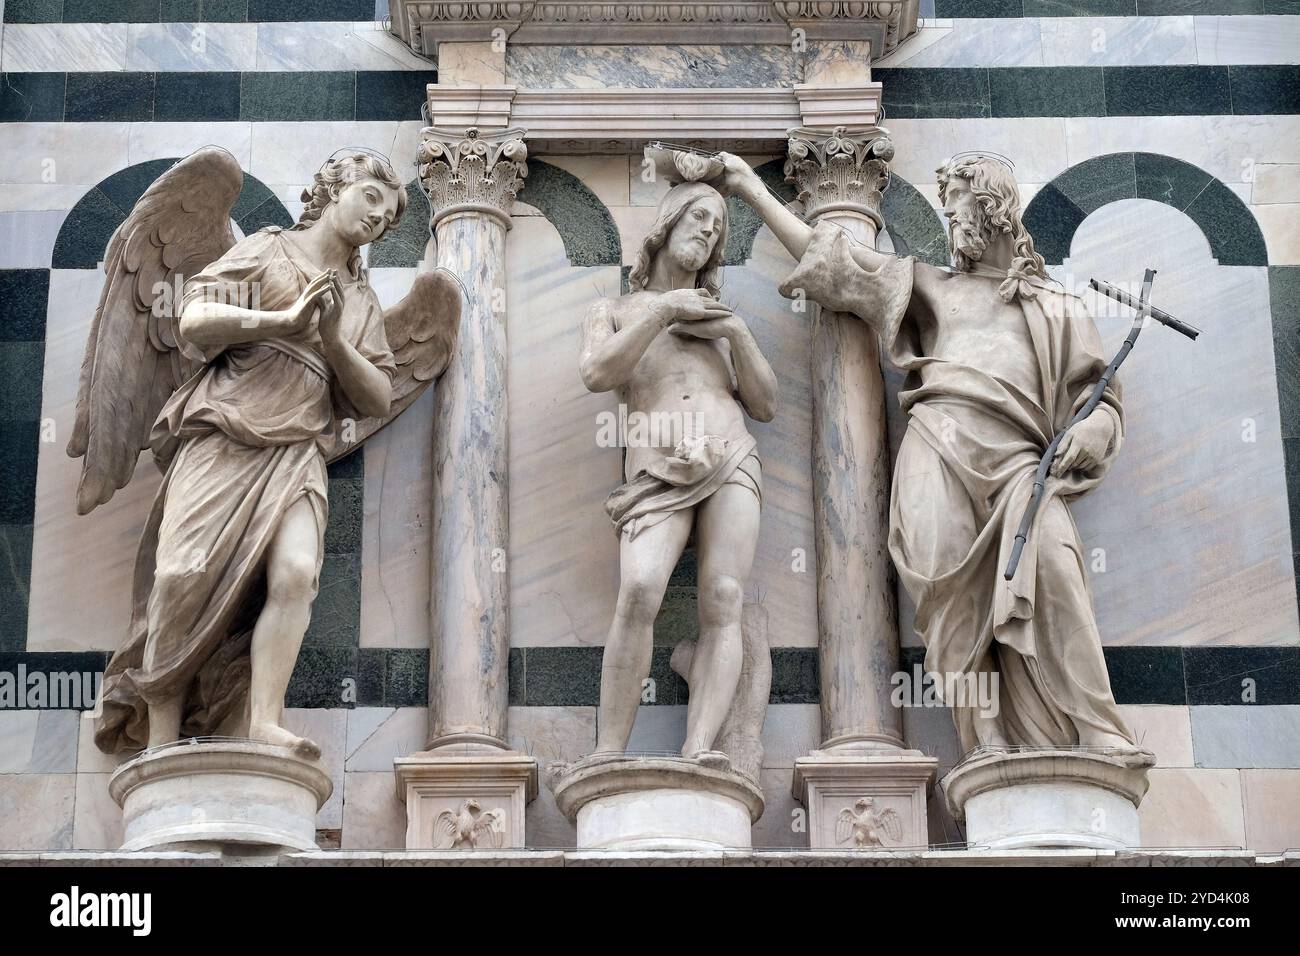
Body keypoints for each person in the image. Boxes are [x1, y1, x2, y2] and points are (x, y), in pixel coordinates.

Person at [719, 151, 1140, 754]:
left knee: (1054, 565)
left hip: (1023, 465)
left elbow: (1098, 396)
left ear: (992, 206)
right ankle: (985, 741)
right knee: (947, 592)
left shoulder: (1056, 307)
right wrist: (746, 187)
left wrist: (1095, 428)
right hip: (936, 449)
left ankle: (1097, 729)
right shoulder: (932, 287)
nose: (952, 224)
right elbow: (833, 260)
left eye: (958, 208)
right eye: (945, 212)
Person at [94, 153, 404, 757]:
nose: (378, 217)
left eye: (389, 216)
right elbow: (195, 319)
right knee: (182, 575)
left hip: (297, 452)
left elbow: (377, 396)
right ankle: (161, 731)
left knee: (295, 575)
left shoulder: (361, 302)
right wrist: (283, 320)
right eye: (371, 197)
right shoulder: (268, 249)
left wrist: (335, 341)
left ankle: (264, 719)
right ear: (334, 188)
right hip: (224, 432)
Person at [579, 181, 778, 761]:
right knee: (639, 589)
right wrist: (665, 310)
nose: (708, 231)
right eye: (698, 217)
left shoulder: (722, 319)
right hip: (656, 464)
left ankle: (699, 747)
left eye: (716, 227)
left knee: (723, 595)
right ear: (665, 225)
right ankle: (609, 748)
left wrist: (735, 331)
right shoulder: (614, 309)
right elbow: (597, 373)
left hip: (731, 454)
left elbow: (765, 404)